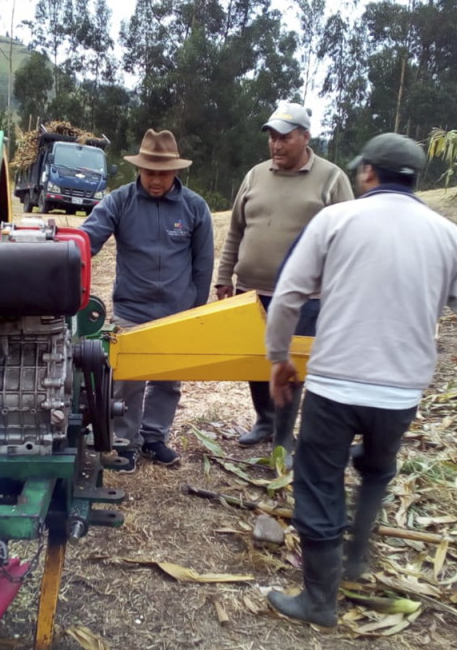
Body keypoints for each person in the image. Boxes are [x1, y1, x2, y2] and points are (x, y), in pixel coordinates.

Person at [264, 132, 457, 627]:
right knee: (378, 467)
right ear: (414, 178)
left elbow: (289, 293)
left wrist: (279, 358)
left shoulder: (336, 220)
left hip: (335, 387)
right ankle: (357, 557)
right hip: (400, 392)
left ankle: (319, 600)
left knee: (319, 482)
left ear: (367, 173)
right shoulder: (449, 236)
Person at [215, 103, 354, 458]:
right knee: (256, 359)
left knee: (290, 363)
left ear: (305, 137)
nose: (276, 146)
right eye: (272, 138)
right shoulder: (255, 176)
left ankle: (283, 436)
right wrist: (223, 277)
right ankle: (263, 420)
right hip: (250, 290)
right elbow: (235, 231)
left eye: (285, 138)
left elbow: (348, 240)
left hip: (305, 297)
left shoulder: (332, 178)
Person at [81, 129, 214, 473]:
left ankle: (155, 437)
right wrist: (64, 256)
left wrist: (195, 314)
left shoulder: (195, 208)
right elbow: (86, 241)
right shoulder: (119, 201)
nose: (156, 180)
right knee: (127, 381)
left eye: (164, 173)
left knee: (168, 381)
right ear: (138, 168)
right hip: (132, 308)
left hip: (176, 310)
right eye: (149, 171)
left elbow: (203, 266)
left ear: (176, 171)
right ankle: (125, 442)